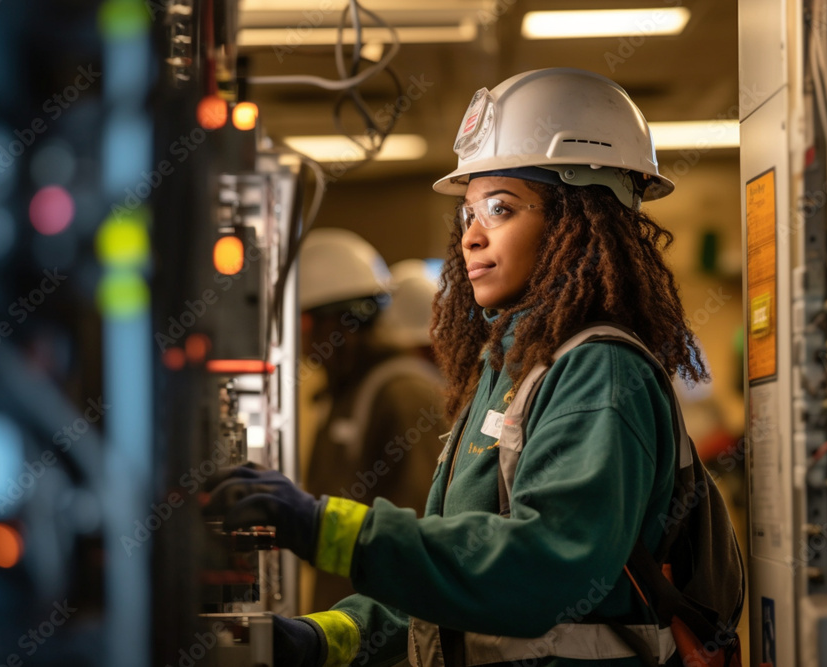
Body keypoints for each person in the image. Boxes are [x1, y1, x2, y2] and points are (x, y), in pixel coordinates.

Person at [207, 68, 709, 666]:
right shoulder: (512, 370)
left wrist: (327, 529)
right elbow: (460, 577)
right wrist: (328, 636)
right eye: (467, 213)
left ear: (582, 216)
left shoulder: (600, 371)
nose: (471, 237)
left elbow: (543, 566)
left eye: (500, 208)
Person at [298, 229, 448, 612]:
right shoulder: (346, 392)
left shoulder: (403, 392)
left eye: (302, 325)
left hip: (384, 634)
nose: (298, 342)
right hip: (346, 625)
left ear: (333, 325)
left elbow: (420, 534)